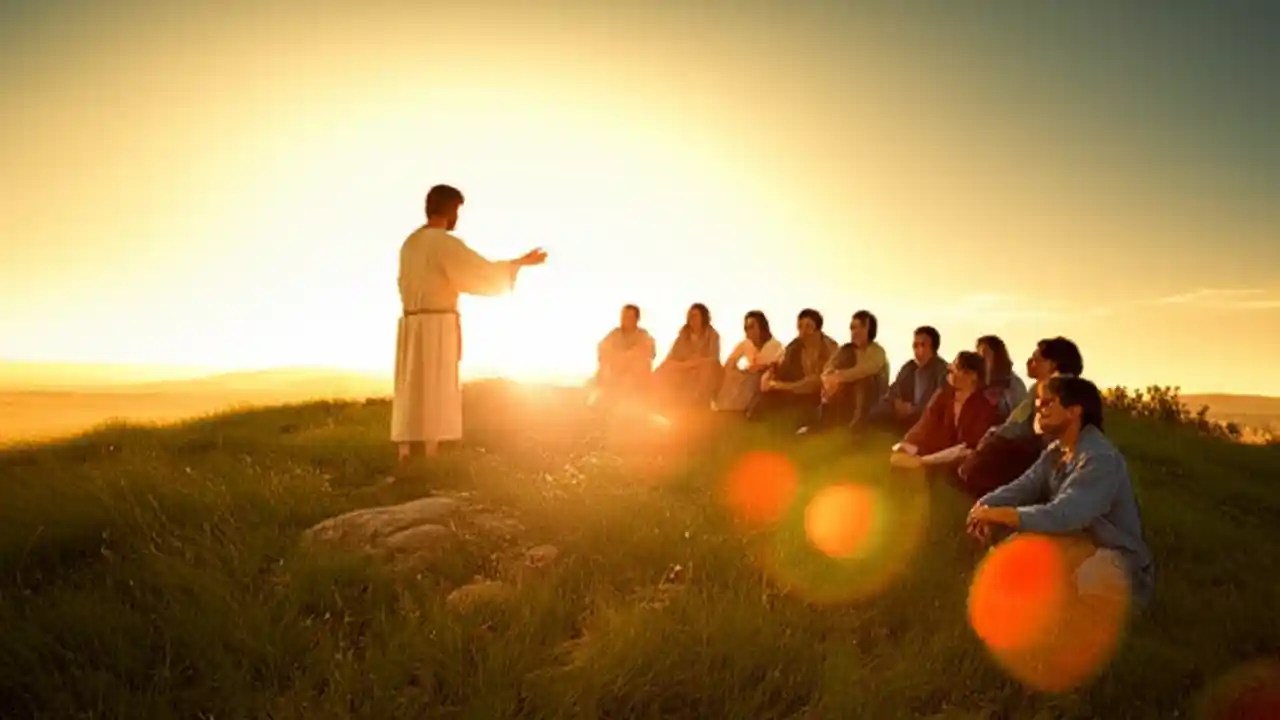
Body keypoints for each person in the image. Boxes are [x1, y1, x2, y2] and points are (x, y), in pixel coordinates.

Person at [967, 376, 1154, 609]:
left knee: (1088, 580)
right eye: (1038, 403)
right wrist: (984, 506)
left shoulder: (1099, 458)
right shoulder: (1056, 451)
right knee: (1014, 557)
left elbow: (1064, 514)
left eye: (1047, 403)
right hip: (1077, 542)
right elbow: (1023, 486)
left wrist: (1003, 515)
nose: (1039, 409)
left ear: (1074, 411)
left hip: (1115, 554)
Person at [391, 184, 547, 463]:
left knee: (411, 386)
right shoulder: (443, 243)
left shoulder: (410, 242)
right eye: (457, 211)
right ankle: (432, 452)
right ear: (450, 210)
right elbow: (480, 271)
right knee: (435, 385)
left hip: (411, 322)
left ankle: (405, 451)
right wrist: (519, 263)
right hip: (437, 323)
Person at [957, 336, 1084, 497]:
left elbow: (1030, 429)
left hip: (1022, 451)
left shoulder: (1055, 389)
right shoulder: (1038, 387)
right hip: (1012, 445)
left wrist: (995, 436)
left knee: (971, 471)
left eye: (1036, 359)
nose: (1029, 362)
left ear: (1052, 364)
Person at [889, 351, 1000, 468]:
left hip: (961, 463)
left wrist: (921, 461)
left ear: (972, 375)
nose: (949, 368)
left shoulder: (984, 408)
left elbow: (967, 448)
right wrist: (904, 447)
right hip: (932, 454)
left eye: (957, 367)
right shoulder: (943, 396)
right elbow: (924, 426)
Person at [796, 310, 889, 434]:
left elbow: (863, 371)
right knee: (830, 381)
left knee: (864, 381)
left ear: (868, 328)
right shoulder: (846, 350)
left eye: (858, 328)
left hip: (872, 397)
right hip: (848, 394)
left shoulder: (877, 351)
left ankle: (857, 427)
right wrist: (830, 379)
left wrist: (837, 377)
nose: (854, 332)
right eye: (852, 328)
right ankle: (821, 423)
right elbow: (828, 368)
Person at [748, 309, 839, 424]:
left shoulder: (829, 348)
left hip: (822, 395)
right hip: (798, 389)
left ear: (818, 329)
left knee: (806, 411)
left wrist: (779, 386)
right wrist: (769, 374)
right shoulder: (795, 346)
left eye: (808, 327)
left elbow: (815, 383)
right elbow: (780, 363)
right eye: (800, 326)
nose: (803, 331)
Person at [867, 325, 949, 432]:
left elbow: (939, 400)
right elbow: (894, 389)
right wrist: (897, 403)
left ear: (933, 348)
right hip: (904, 412)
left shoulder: (942, 370)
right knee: (878, 411)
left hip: (926, 415)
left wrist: (913, 410)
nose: (918, 350)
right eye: (915, 346)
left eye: (923, 345)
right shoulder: (909, 367)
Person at [655, 303, 722, 409]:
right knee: (662, 369)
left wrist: (695, 363)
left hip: (703, 371)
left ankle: (701, 404)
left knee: (707, 369)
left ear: (703, 317)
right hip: (684, 370)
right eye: (690, 316)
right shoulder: (682, 337)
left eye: (695, 316)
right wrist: (685, 365)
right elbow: (670, 359)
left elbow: (713, 358)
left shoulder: (713, 335)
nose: (692, 319)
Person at [715, 310, 785, 412]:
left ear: (762, 327)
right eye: (746, 328)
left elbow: (777, 368)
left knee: (754, 380)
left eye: (752, 327)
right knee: (731, 376)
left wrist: (761, 367)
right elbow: (730, 362)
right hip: (747, 376)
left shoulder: (776, 346)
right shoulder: (746, 344)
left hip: (763, 381)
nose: (748, 331)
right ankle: (724, 409)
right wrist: (737, 371)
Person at [592, 304, 656, 409]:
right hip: (615, 376)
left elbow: (649, 352)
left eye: (629, 317)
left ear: (637, 319)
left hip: (635, 379)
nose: (625, 320)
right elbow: (602, 348)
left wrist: (626, 357)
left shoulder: (643, 335)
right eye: (623, 316)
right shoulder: (615, 334)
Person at [977, 335, 1028, 419]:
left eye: (985, 354)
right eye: (978, 354)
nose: (981, 358)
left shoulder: (1014, 385)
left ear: (997, 356)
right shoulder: (974, 383)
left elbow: (1021, 418)